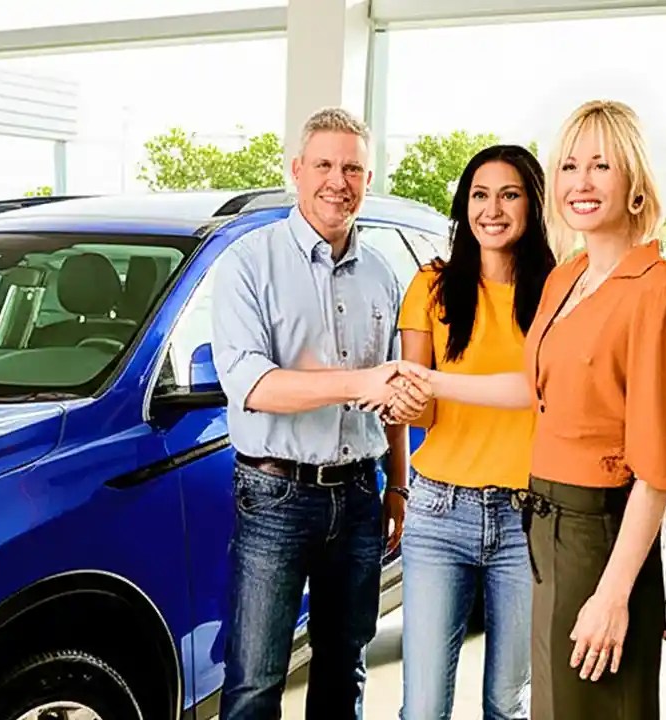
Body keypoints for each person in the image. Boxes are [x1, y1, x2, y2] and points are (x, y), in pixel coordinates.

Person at [390, 100, 666, 719]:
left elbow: (659, 470)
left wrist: (614, 594)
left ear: (637, 182)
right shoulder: (571, 277)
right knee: (550, 708)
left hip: (599, 528)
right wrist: (425, 378)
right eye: (568, 166)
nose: (580, 182)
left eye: (601, 165)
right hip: (542, 524)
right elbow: (528, 389)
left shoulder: (659, 292)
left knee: (589, 705)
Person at [210, 106, 431, 720]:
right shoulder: (249, 264)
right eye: (326, 165)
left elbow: (393, 396)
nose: (339, 180)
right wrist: (360, 380)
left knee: (344, 665)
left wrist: (400, 487)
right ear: (297, 170)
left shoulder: (384, 275)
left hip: (362, 494)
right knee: (255, 678)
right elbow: (250, 384)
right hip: (274, 495)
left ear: (367, 177)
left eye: (353, 167)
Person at [395, 144, 554, 720]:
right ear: (464, 206)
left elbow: (550, 399)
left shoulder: (559, 292)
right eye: (480, 195)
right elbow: (420, 408)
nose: (493, 209)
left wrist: (431, 384)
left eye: (509, 194)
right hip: (439, 512)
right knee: (423, 707)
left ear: (533, 205)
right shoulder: (432, 286)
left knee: (507, 704)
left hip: (529, 518)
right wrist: (402, 399)